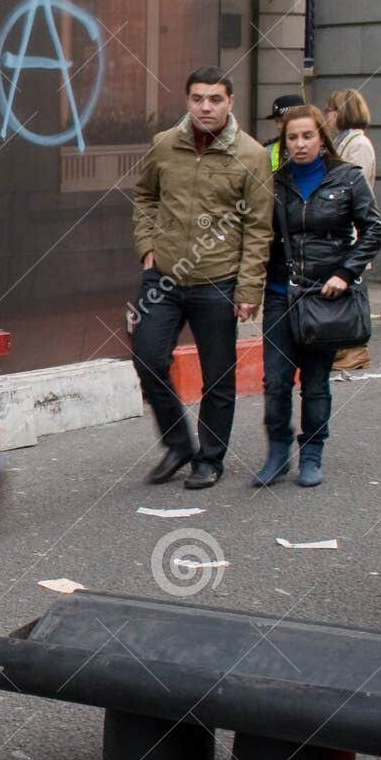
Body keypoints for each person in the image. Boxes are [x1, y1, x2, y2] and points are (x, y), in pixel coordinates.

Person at [130, 67, 274, 490]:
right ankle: (178, 444)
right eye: (197, 99)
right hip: (164, 277)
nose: (205, 107)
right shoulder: (164, 145)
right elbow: (144, 197)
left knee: (218, 377)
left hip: (218, 280)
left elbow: (260, 228)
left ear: (230, 102)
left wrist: (249, 288)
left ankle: (209, 459)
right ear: (187, 101)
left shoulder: (251, 156)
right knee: (148, 359)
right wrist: (147, 247)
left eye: (214, 99)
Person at [253, 106, 381, 488]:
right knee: (276, 381)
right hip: (281, 293)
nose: (299, 144)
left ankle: (312, 452)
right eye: (291, 138)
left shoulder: (347, 179)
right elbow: (259, 235)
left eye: (307, 136)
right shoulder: (274, 183)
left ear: (322, 138)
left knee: (315, 382)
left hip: (325, 295)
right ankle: (277, 452)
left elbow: (373, 230)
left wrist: (345, 273)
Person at [324, 88, 378, 373]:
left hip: (352, 230)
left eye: (330, 110)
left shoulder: (358, 145)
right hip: (345, 229)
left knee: (352, 290)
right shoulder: (344, 142)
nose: (327, 116)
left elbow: (353, 188)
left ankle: (356, 348)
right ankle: (345, 346)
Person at [263, 93, 303, 171]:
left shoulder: (318, 146)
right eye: (276, 121)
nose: (279, 126)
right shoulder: (268, 150)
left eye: (283, 121)